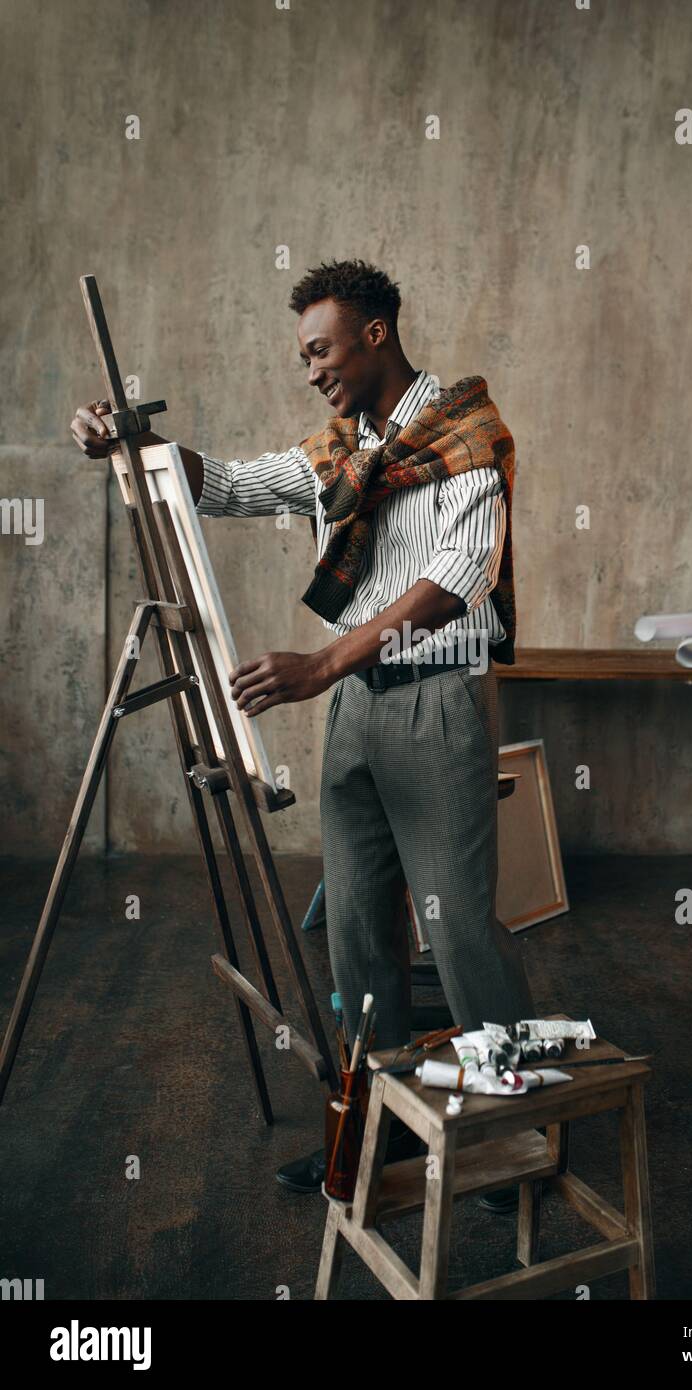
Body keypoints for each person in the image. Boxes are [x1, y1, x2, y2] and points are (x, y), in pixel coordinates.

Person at [71, 259, 536, 1211]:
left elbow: (456, 578)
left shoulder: (469, 434)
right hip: (359, 710)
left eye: (320, 349)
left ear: (373, 333)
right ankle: (370, 1128)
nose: (311, 369)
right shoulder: (340, 455)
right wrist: (136, 444)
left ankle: (511, 1133)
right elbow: (229, 484)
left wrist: (323, 663)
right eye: (302, 355)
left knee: (457, 938)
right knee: (359, 933)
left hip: (439, 701)